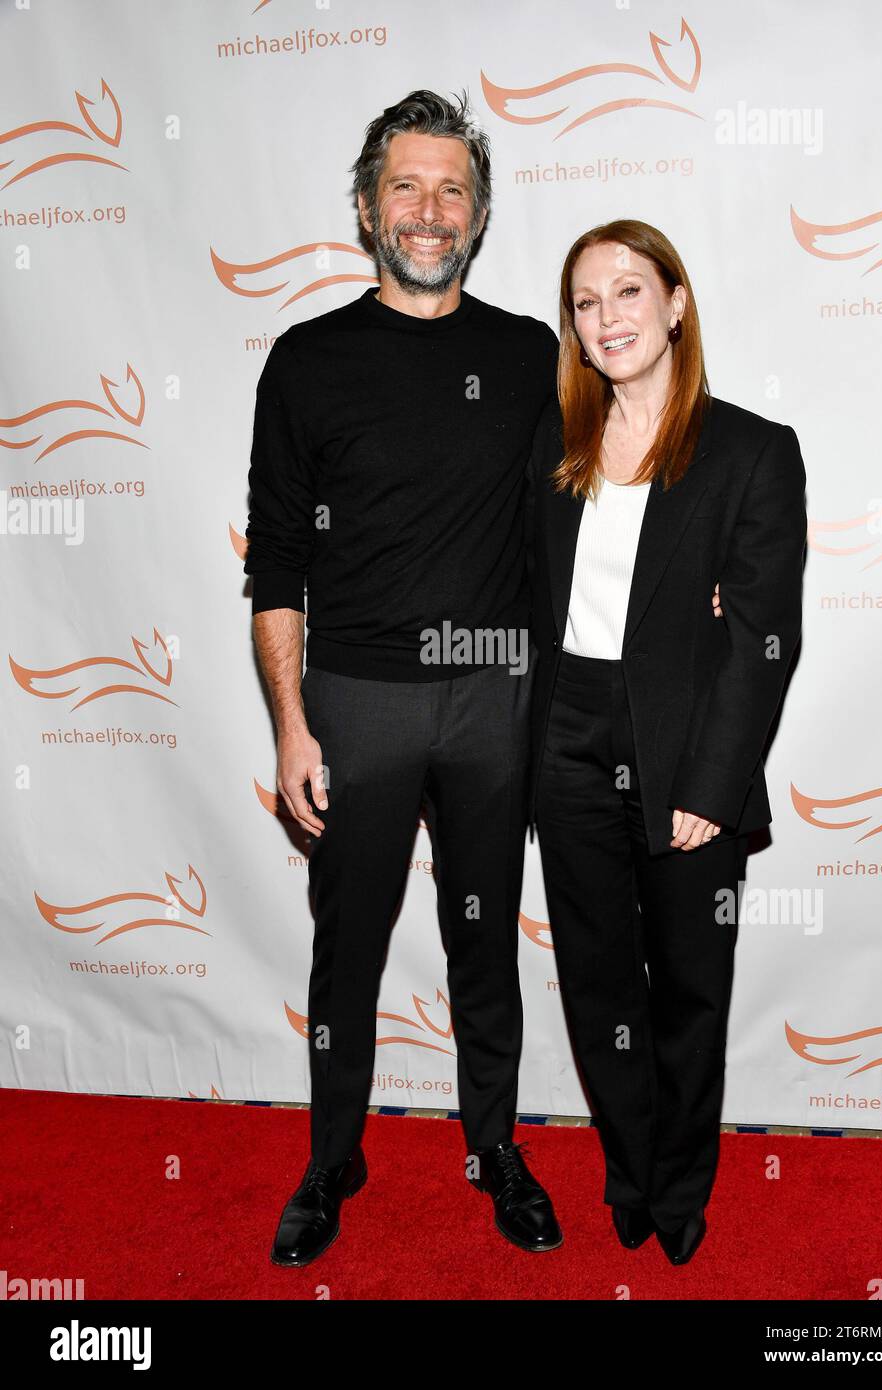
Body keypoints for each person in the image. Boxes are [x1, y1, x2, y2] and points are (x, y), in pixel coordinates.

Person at [243, 90, 563, 1265]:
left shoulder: (529, 353)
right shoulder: (307, 361)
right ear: (369, 206)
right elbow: (276, 557)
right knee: (349, 950)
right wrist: (290, 725)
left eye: (452, 191)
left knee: (485, 946)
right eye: (406, 188)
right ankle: (332, 1161)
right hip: (357, 702)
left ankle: (497, 1151)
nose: (429, 212)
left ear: (478, 216)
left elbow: (584, 516)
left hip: (493, 699)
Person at [527, 219, 807, 1265]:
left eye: (628, 292)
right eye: (587, 303)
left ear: (675, 304)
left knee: (689, 982)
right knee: (599, 977)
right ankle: (630, 1165)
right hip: (564, 737)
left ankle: (681, 1184)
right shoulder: (550, 447)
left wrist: (712, 778)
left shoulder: (749, 451)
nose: (607, 318)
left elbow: (762, 646)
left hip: (690, 742)